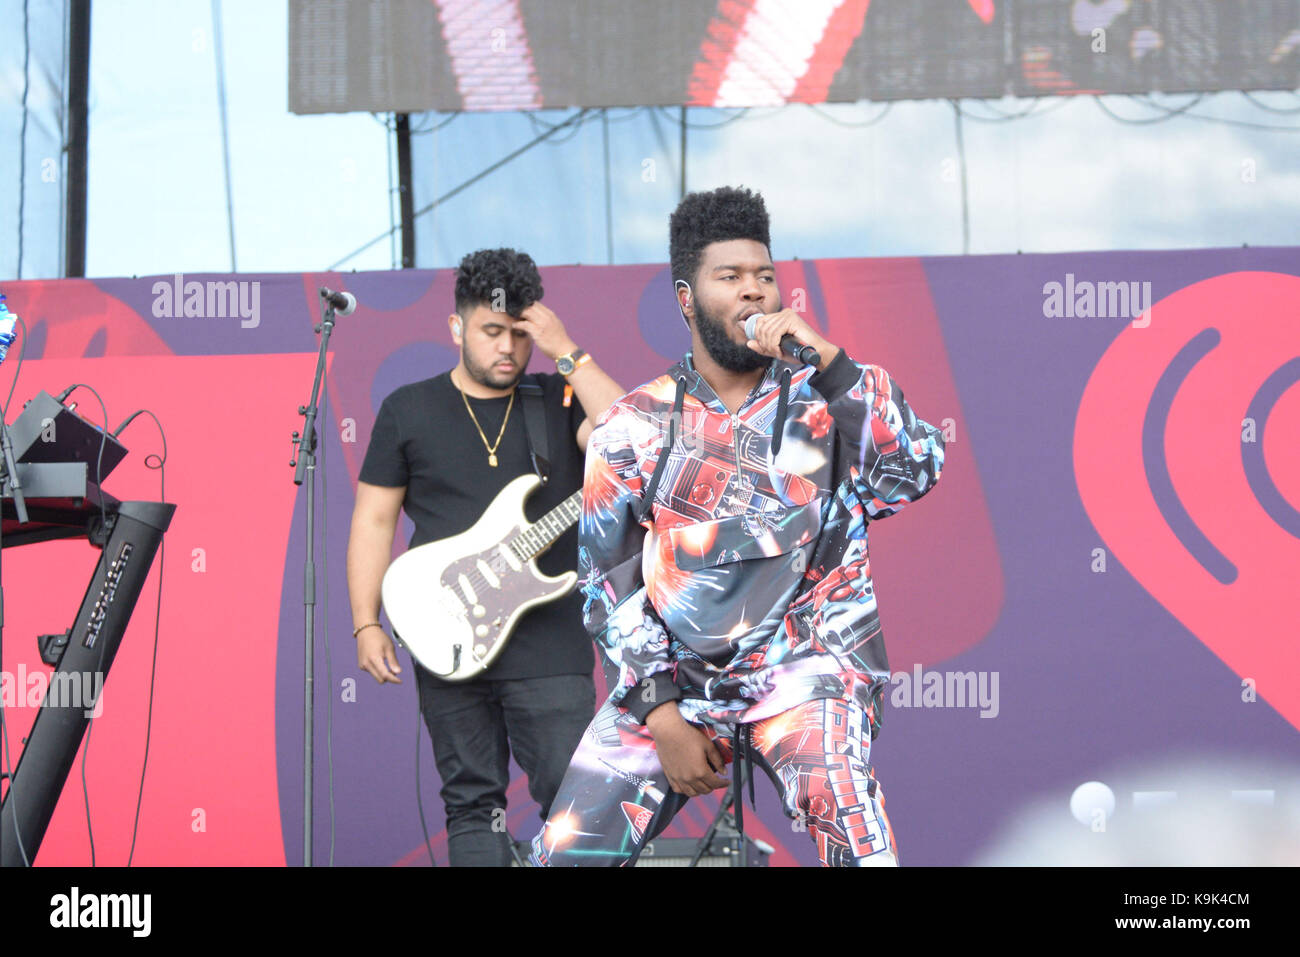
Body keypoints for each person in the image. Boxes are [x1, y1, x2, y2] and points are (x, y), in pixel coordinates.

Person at [529, 187, 946, 867]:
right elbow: (607, 582)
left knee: (846, 814)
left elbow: (914, 470)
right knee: (564, 852)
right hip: (679, 684)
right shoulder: (632, 425)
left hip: (810, 667)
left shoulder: (826, 399)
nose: (754, 292)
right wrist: (661, 715)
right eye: (730, 278)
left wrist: (833, 363)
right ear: (687, 298)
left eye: (763, 276)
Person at [347, 248, 626, 866]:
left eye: (519, 334)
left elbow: (631, 441)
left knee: (575, 798)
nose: (508, 348)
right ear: (457, 328)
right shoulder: (408, 409)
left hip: (549, 636)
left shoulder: (559, 397)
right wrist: (367, 622)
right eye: (491, 331)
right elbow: (373, 520)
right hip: (444, 628)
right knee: (473, 804)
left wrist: (566, 350)